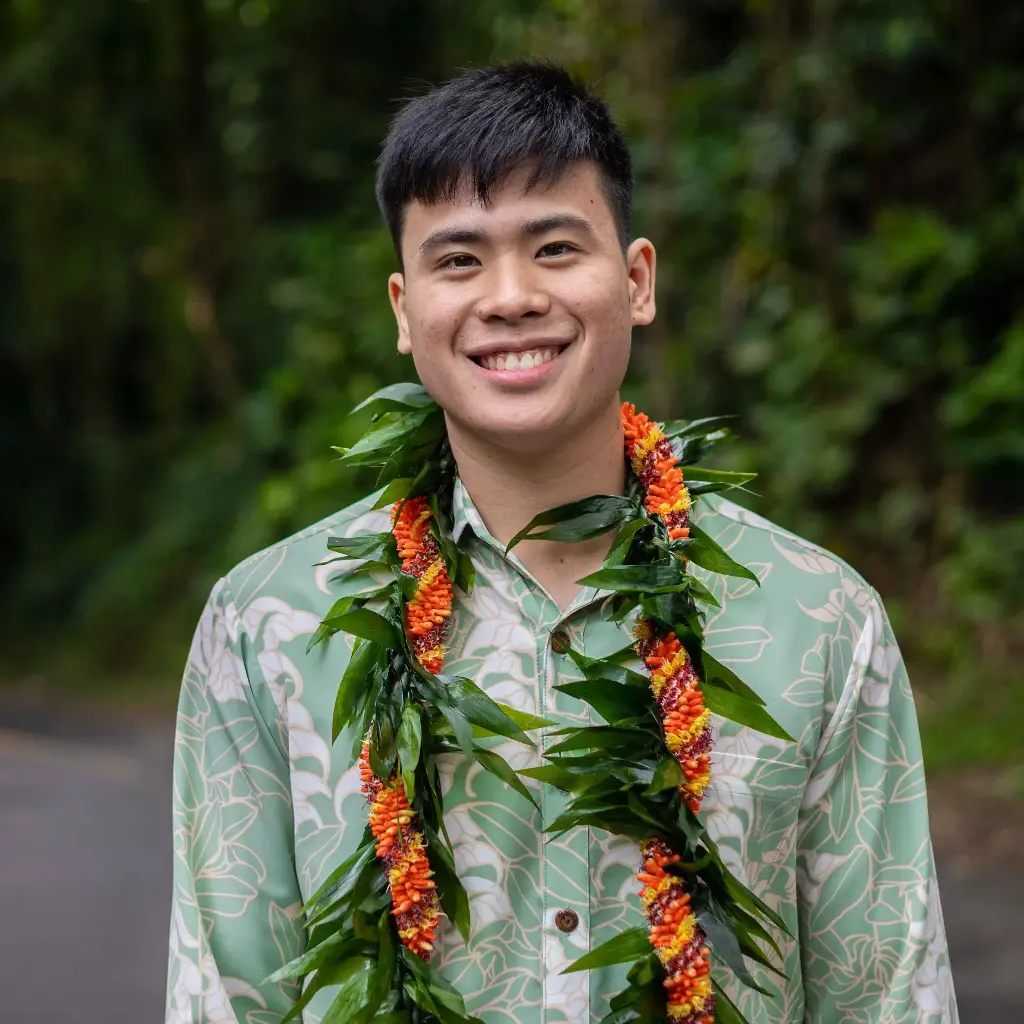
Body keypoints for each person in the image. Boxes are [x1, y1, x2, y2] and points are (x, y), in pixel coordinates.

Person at [165, 61, 958, 1024]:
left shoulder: (818, 619)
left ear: (636, 282)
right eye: (458, 260)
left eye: (553, 247)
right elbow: (226, 996)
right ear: (404, 313)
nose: (509, 297)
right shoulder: (269, 625)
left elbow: (886, 997)